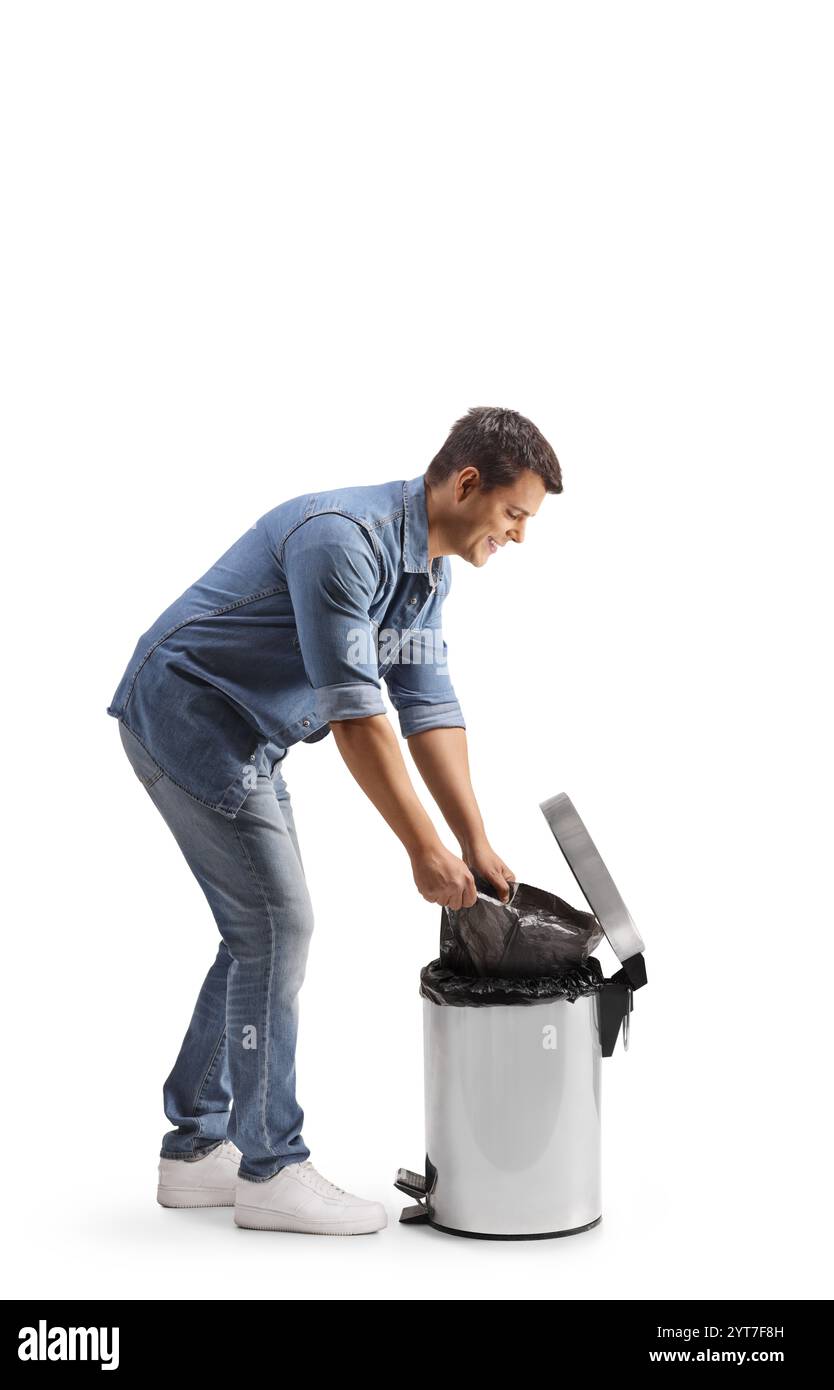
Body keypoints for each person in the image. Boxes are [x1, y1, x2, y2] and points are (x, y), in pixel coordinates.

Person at [108, 405, 563, 1235]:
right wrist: (421, 847)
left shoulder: (427, 574)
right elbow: (357, 715)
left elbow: (428, 706)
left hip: (248, 733)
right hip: (187, 715)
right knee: (278, 923)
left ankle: (194, 1151)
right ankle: (270, 1167)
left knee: (260, 929)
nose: (520, 537)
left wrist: (473, 839)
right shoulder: (341, 541)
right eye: (514, 515)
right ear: (467, 484)